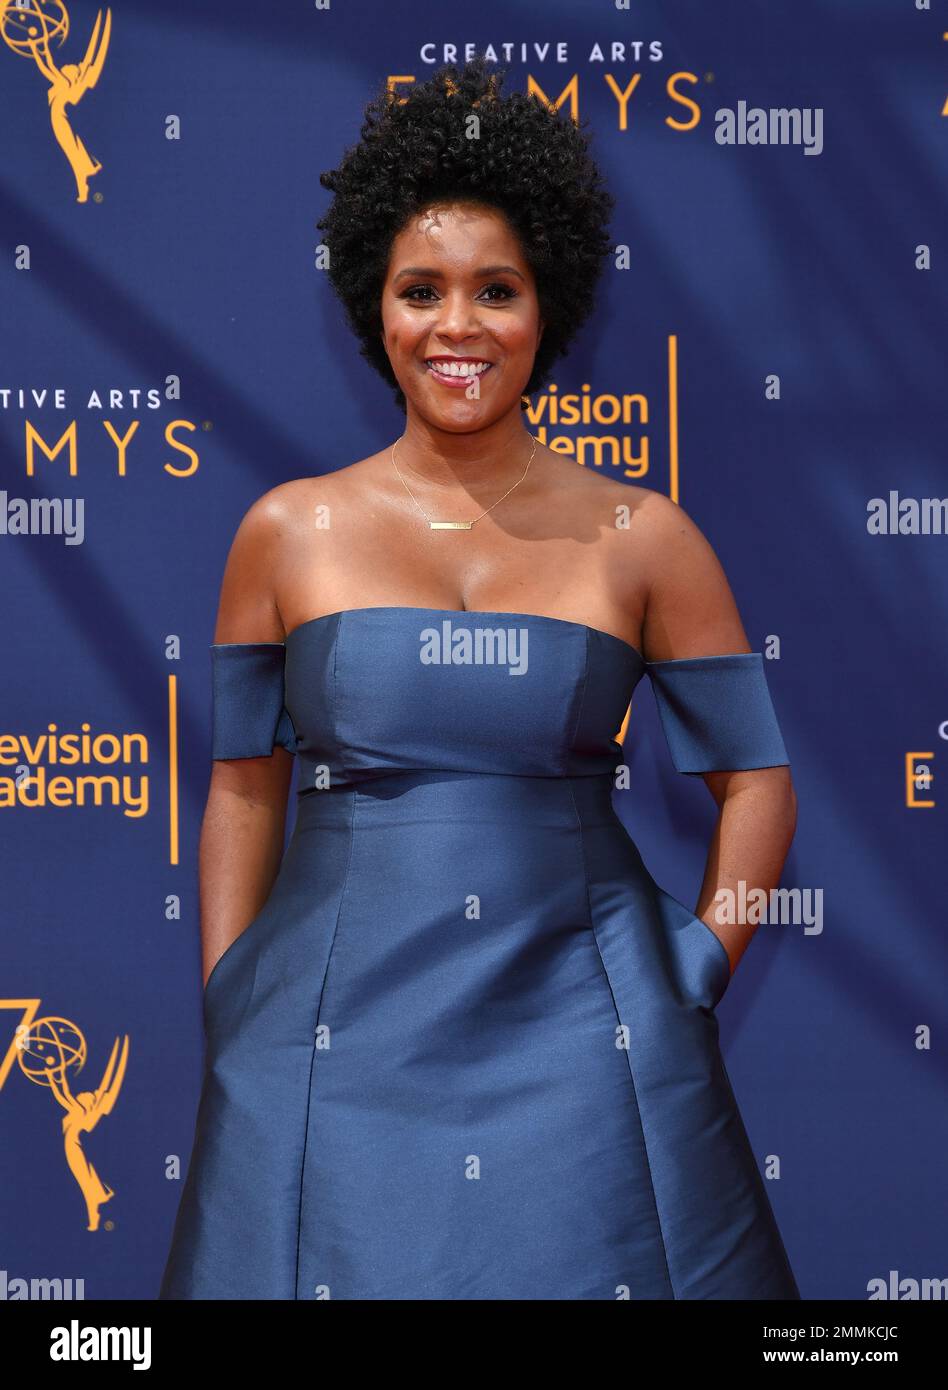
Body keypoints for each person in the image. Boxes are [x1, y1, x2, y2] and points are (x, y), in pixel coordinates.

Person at [159, 56, 800, 1300]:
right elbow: (242, 788)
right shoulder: (285, 533)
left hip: (591, 1028)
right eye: (421, 291)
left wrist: (693, 973)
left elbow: (757, 779)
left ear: (546, 304)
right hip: (326, 1034)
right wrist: (237, 999)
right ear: (373, 307)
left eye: (494, 290)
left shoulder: (646, 537)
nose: (458, 328)